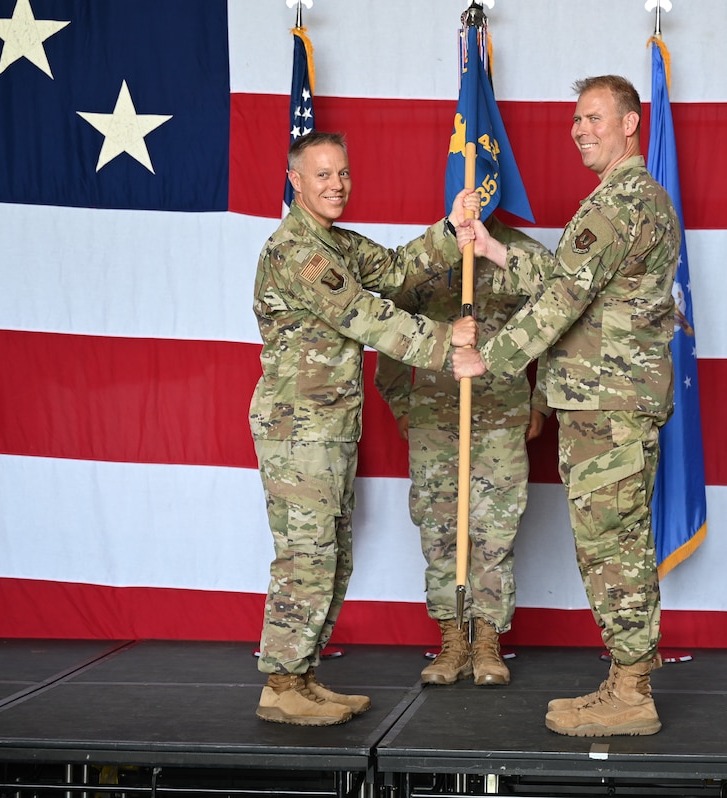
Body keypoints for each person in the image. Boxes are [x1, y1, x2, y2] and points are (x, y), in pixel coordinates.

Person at [453, 75, 680, 737]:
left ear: (632, 123)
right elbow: (567, 281)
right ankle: (623, 678)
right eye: (576, 120)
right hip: (604, 404)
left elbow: (560, 304)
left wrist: (485, 357)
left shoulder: (620, 202)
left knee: (615, 550)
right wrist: (495, 251)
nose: (581, 129)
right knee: (612, 548)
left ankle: (633, 693)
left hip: (609, 407)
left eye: (594, 117)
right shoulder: (628, 198)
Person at [250, 131, 479, 726]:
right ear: (295, 181)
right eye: (322, 174)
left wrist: (451, 230)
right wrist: (443, 340)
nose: (336, 184)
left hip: (329, 426)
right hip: (297, 429)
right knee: (305, 555)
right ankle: (280, 683)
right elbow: (362, 313)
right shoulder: (298, 251)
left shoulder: (339, 245)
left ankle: (302, 673)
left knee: (331, 554)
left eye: (343, 173)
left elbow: (398, 272)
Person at [374, 216, 549, 687]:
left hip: (499, 417)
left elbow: (561, 317)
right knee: (440, 529)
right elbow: (392, 323)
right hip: (435, 416)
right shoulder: (430, 253)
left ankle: (488, 640)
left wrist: (541, 401)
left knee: (495, 531)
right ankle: (453, 638)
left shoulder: (517, 253)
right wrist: (398, 401)